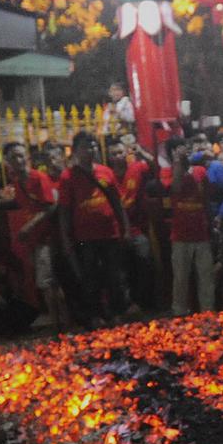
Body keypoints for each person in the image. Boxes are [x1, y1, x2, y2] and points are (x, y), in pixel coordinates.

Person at [57, 131, 131, 327]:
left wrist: (126, 228)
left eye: (93, 146)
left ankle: (117, 313)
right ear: (75, 151)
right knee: (89, 277)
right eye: (85, 146)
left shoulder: (106, 172)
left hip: (110, 233)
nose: (90, 150)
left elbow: (117, 203)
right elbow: (64, 211)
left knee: (114, 275)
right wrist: (66, 239)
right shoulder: (67, 177)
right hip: (84, 237)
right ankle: (95, 315)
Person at [4, 142, 66, 329]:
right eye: (14, 157)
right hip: (35, 239)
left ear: (27, 157)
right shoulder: (18, 182)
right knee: (49, 282)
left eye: (21, 155)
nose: (19, 160)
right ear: (8, 162)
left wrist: (28, 227)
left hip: (47, 237)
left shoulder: (38, 177)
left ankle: (59, 322)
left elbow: (50, 206)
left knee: (47, 282)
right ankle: (60, 321)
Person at [108, 134, 159, 312]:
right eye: (114, 153)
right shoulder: (107, 176)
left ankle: (143, 303)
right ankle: (127, 305)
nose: (118, 156)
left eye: (120, 152)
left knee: (145, 263)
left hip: (138, 229)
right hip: (116, 231)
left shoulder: (137, 168)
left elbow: (155, 167)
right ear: (109, 157)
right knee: (121, 270)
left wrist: (142, 152)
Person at [167, 137, 216, 315]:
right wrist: (178, 164)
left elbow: (206, 198)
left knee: (206, 275)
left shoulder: (200, 171)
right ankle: (179, 311)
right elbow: (175, 188)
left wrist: (211, 223)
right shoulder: (168, 172)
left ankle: (208, 311)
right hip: (180, 234)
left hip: (201, 232)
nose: (183, 151)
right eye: (178, 149)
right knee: (181, 277)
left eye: (184, 148)